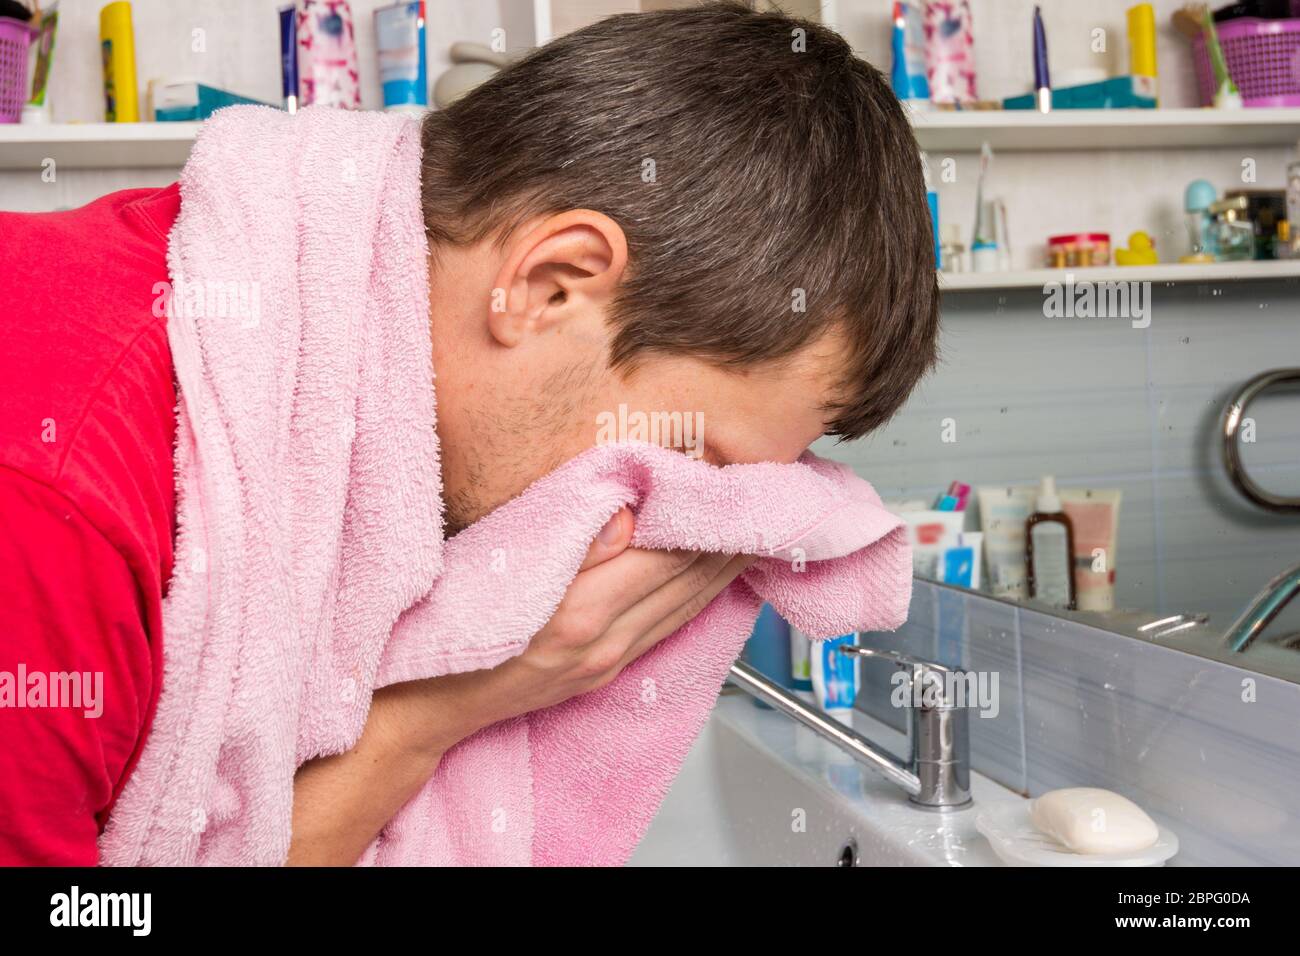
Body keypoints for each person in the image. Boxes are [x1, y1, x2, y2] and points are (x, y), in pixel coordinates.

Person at [0, 2, 937, 865]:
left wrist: (439, 711)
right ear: (549, 287)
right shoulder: (54, 504)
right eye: (689, 461)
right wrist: (448, 703)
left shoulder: (266, 338)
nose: (670, 527)